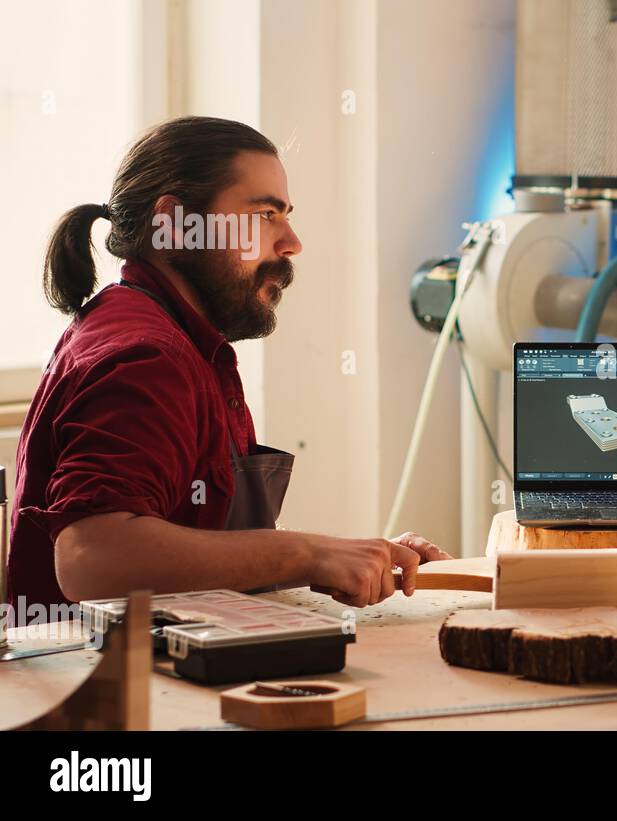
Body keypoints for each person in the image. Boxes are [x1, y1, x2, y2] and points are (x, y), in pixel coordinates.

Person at [7, 116, 449, 614]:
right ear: (174, 223)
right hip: (109, 679)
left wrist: (352, 559)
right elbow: (92, 557)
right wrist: (308, 553)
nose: (291, 242)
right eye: (264, 215)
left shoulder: (174, 337)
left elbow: (193, 541)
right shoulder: (147, 356)